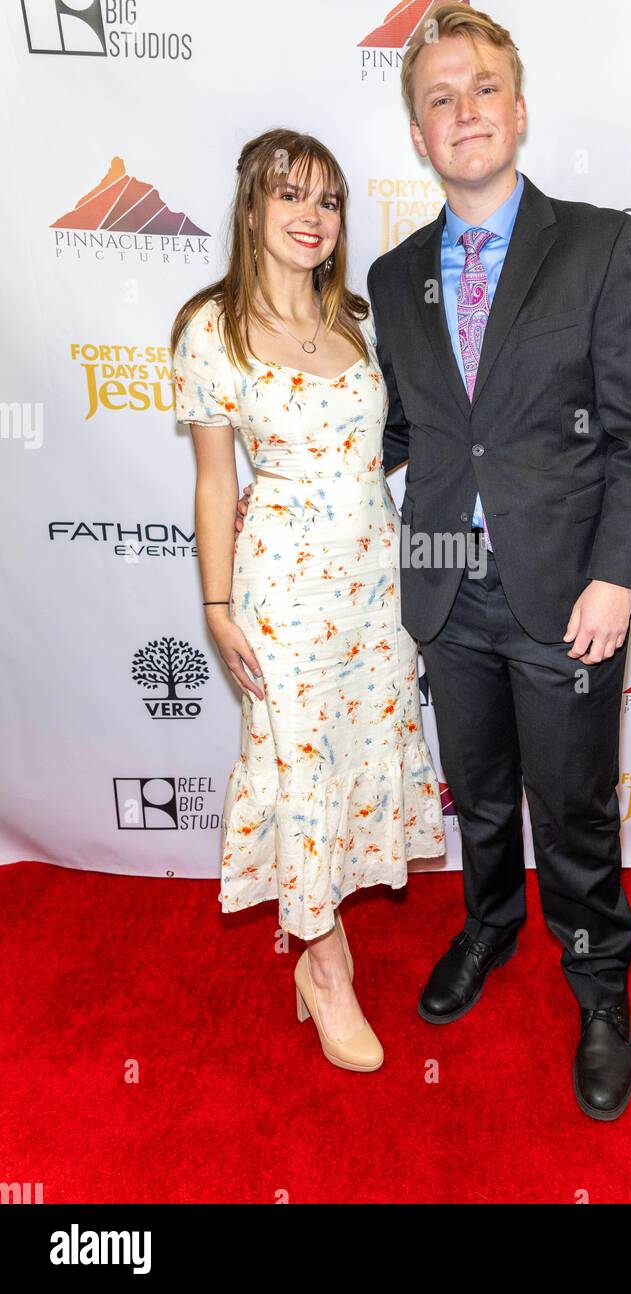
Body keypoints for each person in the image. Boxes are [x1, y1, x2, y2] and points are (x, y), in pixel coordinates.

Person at [238, 2, 631, 1121]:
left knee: (570, 806)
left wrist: (616, 575)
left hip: (563, 594)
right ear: (421, 136)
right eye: (437, 98)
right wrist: (289, 464)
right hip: (437, 584)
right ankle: (488, 924)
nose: (462, 110)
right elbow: (410, 429)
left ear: (517, 112)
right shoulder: (390, 278)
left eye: (480, 88)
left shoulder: (596, 245)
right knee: (478, 795)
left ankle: (596, 980)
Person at [171, 129, 446, 1074]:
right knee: (293, 764)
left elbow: (377, 446)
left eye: (327, 202)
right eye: (290, 196)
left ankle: (328, 933)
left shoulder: (355, 320)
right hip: (280, 587)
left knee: (358, 749)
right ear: (253, 207)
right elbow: (215, 484)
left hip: (371, 581)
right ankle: (323, 967)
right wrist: (216, 605)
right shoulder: (210, 329)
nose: (311, 217)